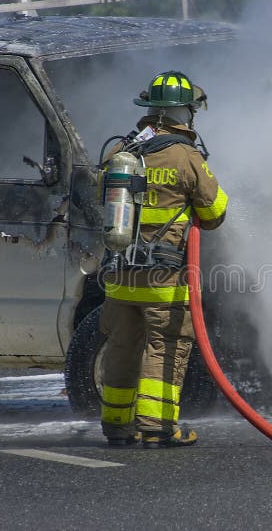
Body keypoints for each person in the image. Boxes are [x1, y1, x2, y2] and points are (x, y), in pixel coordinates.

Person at [98, 71, 228, 449]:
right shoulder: (186, 157)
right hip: (164, 279)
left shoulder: (121, 153)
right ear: (185, 113)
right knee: (164, 346)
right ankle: (158, 426)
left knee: (122, 347)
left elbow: (99, 199)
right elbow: (215, 213)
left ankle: (117, 426)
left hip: (120, 274)